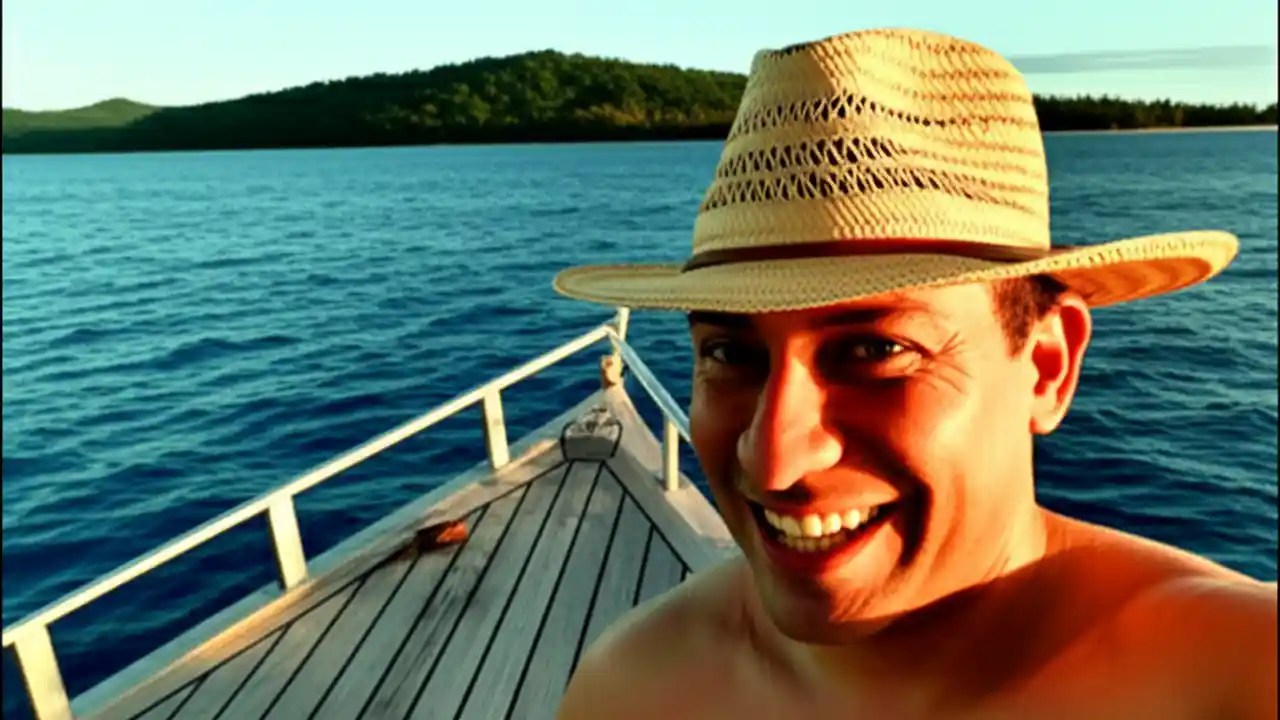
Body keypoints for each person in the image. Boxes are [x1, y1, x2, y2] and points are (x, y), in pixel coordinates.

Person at [550, 27, 1277, 720]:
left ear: (1046, 367)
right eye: (729, 353)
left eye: (874, 351)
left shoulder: (1243, 675)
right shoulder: (631, 688)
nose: (774, 460)